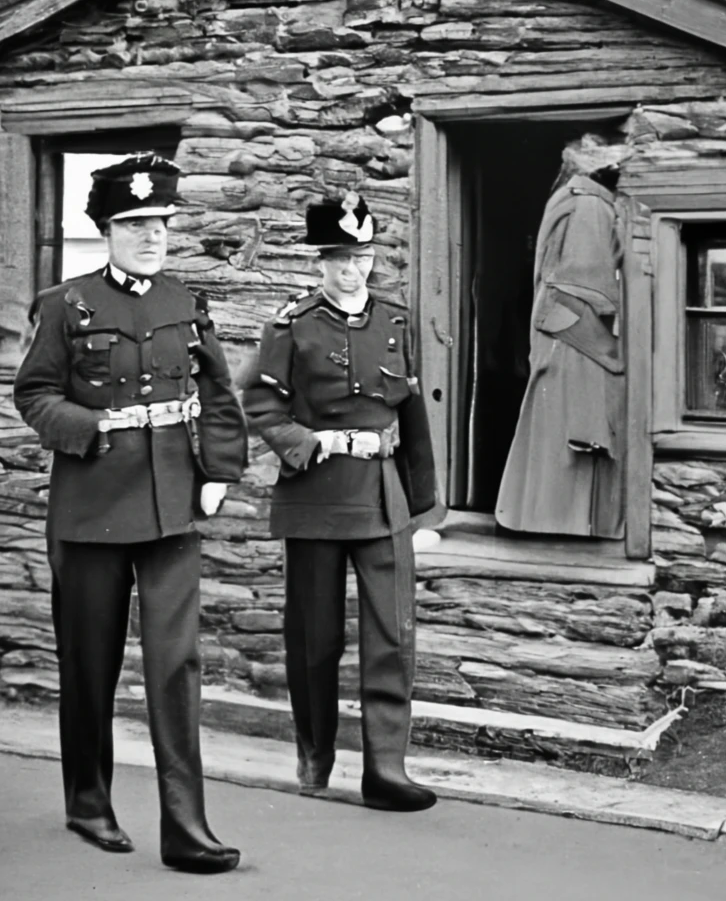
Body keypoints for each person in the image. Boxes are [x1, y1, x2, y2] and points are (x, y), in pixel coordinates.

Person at [13, 153, 248, 874]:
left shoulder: (185, 300)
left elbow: (215, 394)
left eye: (161, 224)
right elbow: (34, 394)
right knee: (91, 663)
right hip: (91, 511)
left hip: (172, 505)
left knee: (177, 665)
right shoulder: (65, 305)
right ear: (104, 231)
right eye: (134, 224)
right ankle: (89, 801)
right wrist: (88, 430)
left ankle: (187, 827)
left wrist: (220, 470)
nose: (151, 236)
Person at [242, 192, 437, 811]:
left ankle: (386, 769)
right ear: (319, 262)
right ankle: (315, 755)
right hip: (317, 494)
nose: (353, 269)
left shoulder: (397, 320)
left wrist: (423, 499)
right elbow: (260, 404)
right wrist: (308, 441)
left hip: (383, 496)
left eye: (362, 256)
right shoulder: (290, 326)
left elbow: (412, 411)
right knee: (314, 638)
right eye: (340, 258)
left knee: (391, 634)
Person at [495, 133, 631, 539]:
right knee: (575, 431)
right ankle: (560, 527)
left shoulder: (574, 198)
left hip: (563, 329)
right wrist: (614, 353)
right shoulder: (590, 205)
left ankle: (542, 521)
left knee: (559, 431)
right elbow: (584, 287)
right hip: (576, 333)